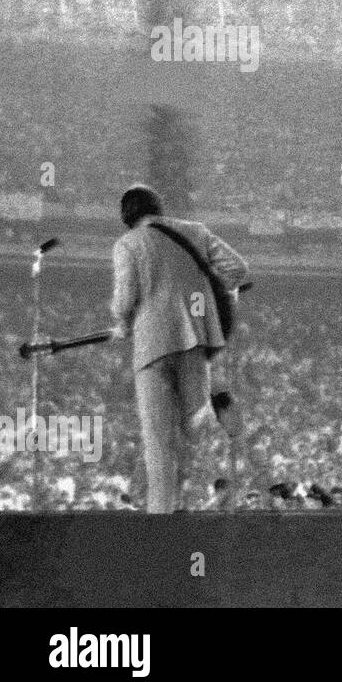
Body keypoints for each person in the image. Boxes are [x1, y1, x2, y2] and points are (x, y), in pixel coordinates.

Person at [109, 184, 250, 513]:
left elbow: (125, 298)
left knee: (159, 443)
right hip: (196, 339)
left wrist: (122, 322)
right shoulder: (195, 232)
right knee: (195, 424)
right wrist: (207, 291)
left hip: (152, 347)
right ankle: (216, 407)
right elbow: (237, 269)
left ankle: (162, 521)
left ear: (127, 218)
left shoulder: (128, 244)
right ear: (157, 207)